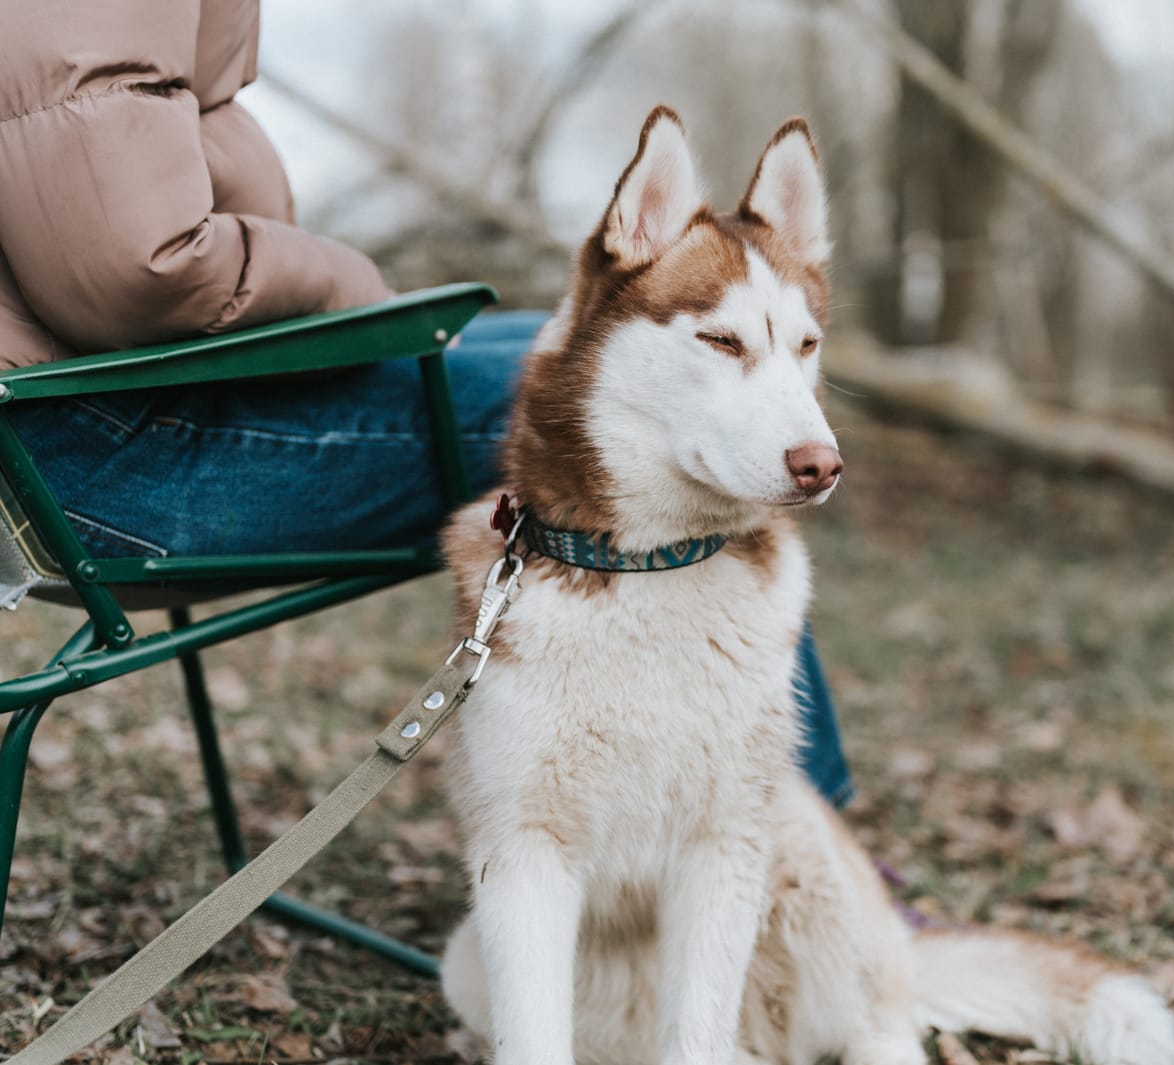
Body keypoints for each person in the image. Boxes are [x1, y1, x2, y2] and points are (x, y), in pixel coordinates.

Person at [0, 0, 852, 805]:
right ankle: (801, 838)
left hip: (97, 408)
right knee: (592, 395)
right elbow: (138, 268)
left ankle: (780, 834)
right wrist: (355, 292)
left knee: (543, 339)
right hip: (89, 468)